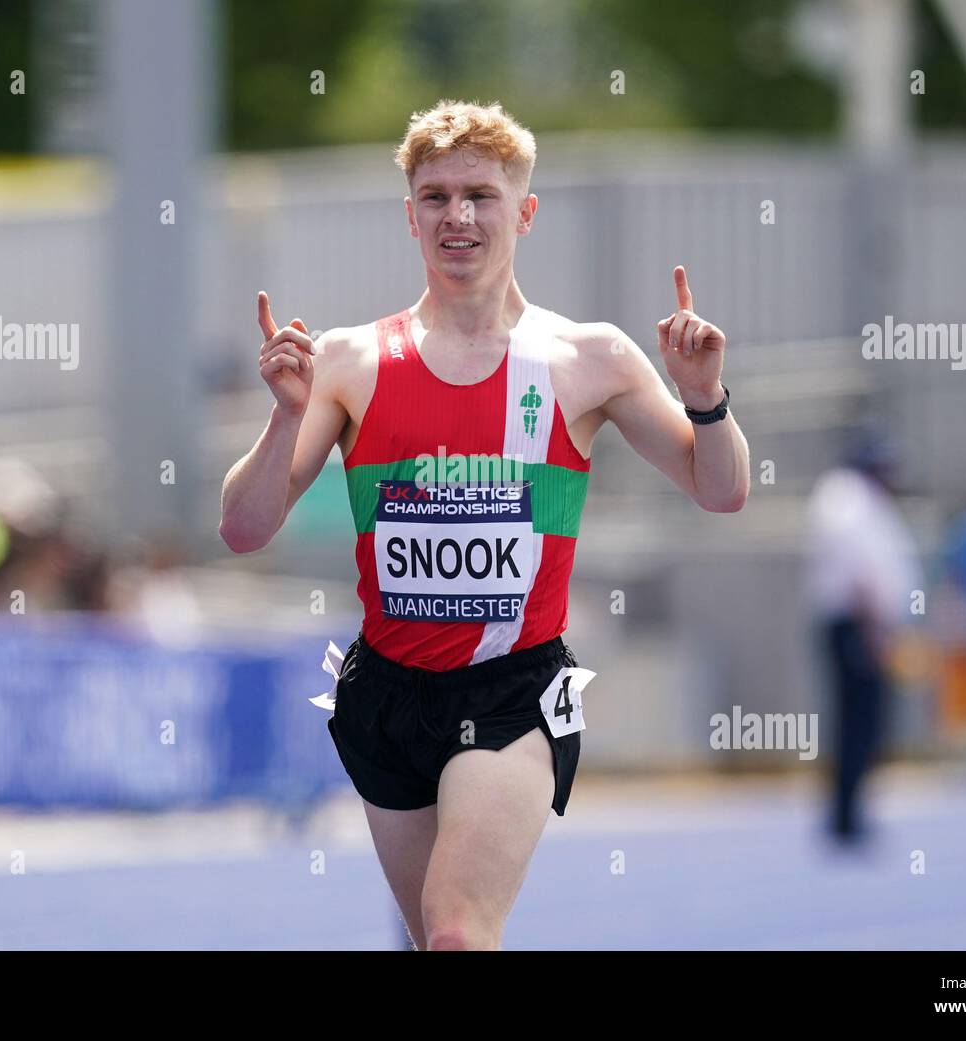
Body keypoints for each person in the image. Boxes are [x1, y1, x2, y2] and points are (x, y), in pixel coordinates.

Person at [219, 100, 750, 950]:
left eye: (480, 195)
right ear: (410, 216)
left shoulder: (590, 358)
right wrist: (284, 417)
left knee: (457, 931)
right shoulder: (351, 361)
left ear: (524, 212)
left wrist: (704, 399)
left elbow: (721, 491)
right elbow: (243, 530)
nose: (457, 216)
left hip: (513, 692)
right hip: (384, 690)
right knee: (432, 937)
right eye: (435, 197)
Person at [806, 423, 921, 844]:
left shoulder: (864, 501)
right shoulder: (846, 496)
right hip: (858, 625)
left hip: (868, 625)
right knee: (856, 721)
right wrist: (875, 628)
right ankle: (845, 816)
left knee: (867, 721)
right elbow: (859, 571)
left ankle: (852, 811)